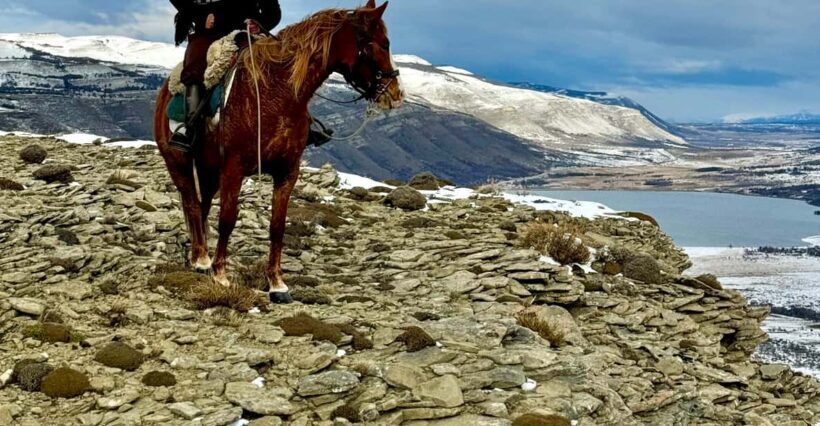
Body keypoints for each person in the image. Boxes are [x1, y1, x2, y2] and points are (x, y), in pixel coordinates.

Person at [169, 0, 282, 151]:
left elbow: (272, 10)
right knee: (195, 64)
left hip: (246, 33)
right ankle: (191, 127)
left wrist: (260, 22)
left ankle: (298, 124)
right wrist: (200, 16)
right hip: (209, 34)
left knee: (279, 64)